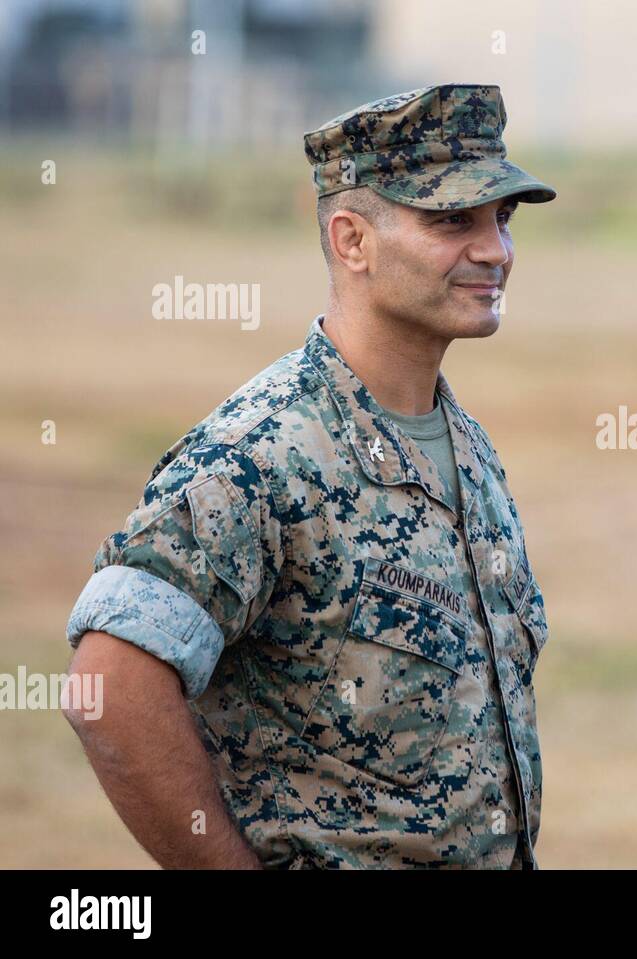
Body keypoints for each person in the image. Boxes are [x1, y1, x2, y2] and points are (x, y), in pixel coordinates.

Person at [62, 84, 555, 869]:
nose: (495, 249)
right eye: (453, 220)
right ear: (352, 240)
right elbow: (109, 685)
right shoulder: (262, 455)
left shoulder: (466, 448)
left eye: (503, 218)